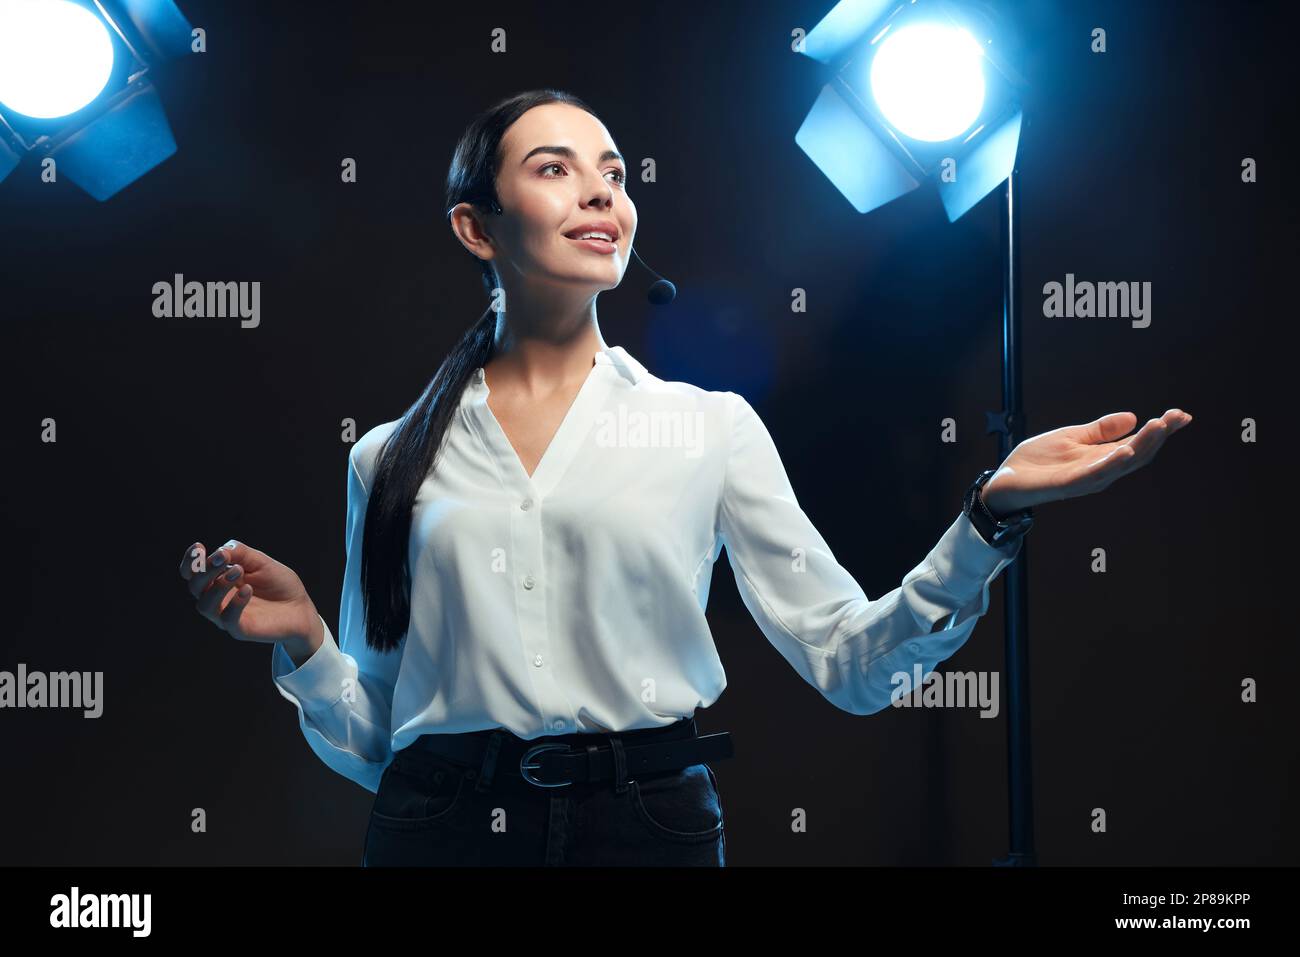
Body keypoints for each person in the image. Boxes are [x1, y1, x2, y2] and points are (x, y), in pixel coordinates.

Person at [178, 88, 1192, 867]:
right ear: (475, 228)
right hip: (439, 831)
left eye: (613, 173)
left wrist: (986, 514)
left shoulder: (707, 428)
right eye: (554, 168)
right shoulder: (387, 457)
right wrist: (309, 642)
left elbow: (851, 663)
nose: (598, 192)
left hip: (647, 829)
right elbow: (377, 744)